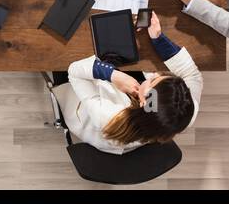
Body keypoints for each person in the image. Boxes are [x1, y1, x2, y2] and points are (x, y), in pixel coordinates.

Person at [60, 12, 201, 155]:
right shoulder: (186, 110)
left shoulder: (108, 116)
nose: (156, 74)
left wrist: (112, 74)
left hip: (85, 111)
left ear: (143, 101)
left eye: (152, 80)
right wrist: (158, 39)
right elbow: (192, 74)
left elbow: (74, 72)